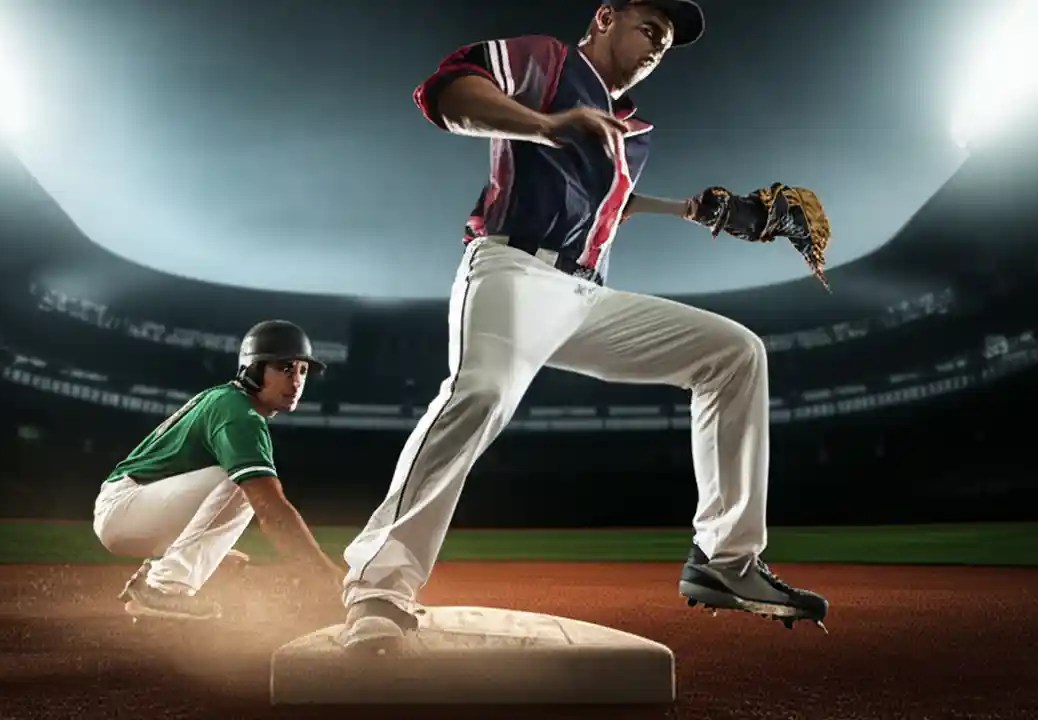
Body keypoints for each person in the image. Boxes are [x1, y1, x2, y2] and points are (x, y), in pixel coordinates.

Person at [338, 0, 831, 651]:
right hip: (510, 269)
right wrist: (543, 124)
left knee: (735, 353)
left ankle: (725, 560)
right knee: (479, 395)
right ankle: (379, 586)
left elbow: (609, 206)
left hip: (585, 295)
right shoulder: (550, 60)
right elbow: (447, 94)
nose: (658, 44)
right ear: (605, 17)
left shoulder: (636, 131)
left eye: (667, 41)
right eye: (649, 27)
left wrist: (712, 211)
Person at [93, 320, 344, 620]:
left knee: (245, 481)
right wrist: (320, 570)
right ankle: (163, 588)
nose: (296, 381)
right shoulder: (239, 413)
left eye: (303, 371)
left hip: (137, 507)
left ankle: (168, 573)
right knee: (247, 483)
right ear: (253, 369)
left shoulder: (228, 401)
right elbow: (271, 508)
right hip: (124, 508)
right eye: (285, 368)